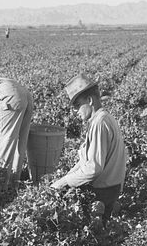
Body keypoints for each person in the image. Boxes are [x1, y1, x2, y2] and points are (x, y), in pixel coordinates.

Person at [51, 74, 129, 224]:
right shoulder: (103, 118)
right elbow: (86, 161)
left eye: (77, 105)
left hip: (103, 191)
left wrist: (64, 182)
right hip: (111, 187)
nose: (75, 111)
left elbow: (93, 168)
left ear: (90, 100)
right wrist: (66, 179)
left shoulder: (100, 123)